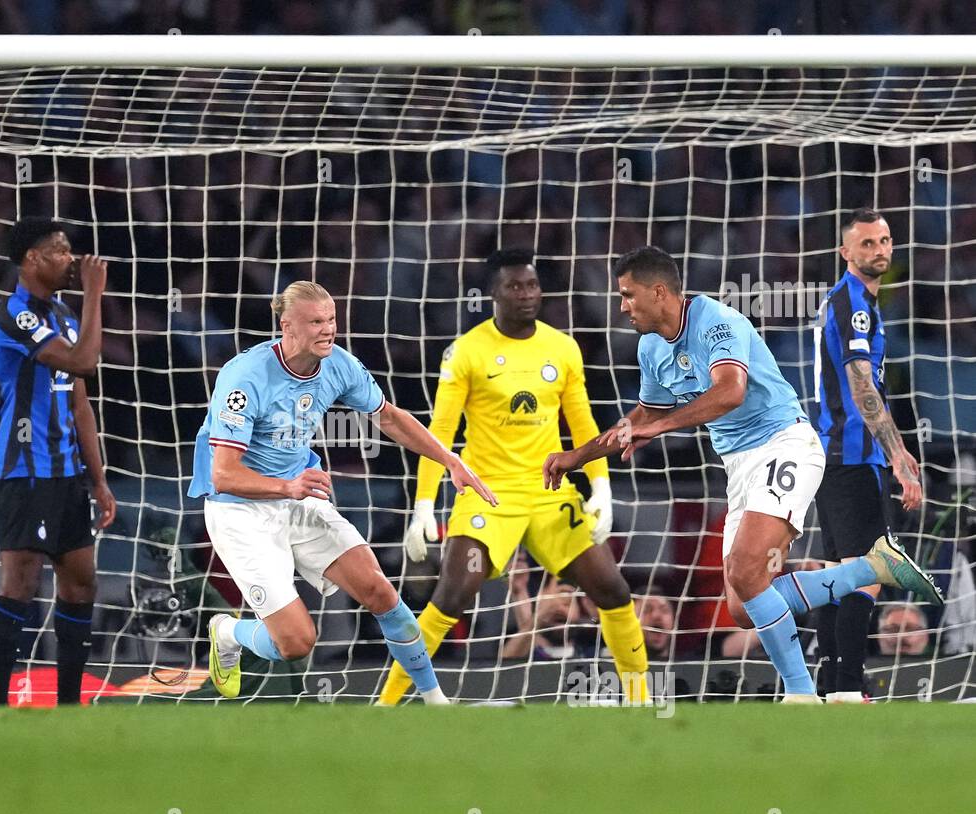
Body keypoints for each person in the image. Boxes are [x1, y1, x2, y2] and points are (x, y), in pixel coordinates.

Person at [543, 245, 943, 703]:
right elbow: (643, 414)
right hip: (739, 467)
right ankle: (870, 567)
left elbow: (730, 391)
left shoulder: (717, 321)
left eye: (629, 295)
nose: (622, 306)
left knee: (747, 570)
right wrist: (579, 455)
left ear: (659, 292)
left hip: (785, 444)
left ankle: (800, 695)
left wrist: (658, 426)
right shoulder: (651, 347)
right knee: (743, 607)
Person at [189, 280, 496, 705]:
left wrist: (450, 459)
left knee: (381, 593)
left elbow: (388, 417)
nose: (328, 329)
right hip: (240, 510)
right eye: (316, 321)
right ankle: (228, 632)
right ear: (287, 326)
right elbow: (223, 475)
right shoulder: (244, 378)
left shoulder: (339, 365)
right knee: (296, 642)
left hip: (299, 496)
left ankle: (435, 702)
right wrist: (288, 486)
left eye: (332, 319)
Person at [379, 249, 650, 705]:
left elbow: (582, 426)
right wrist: (424, 503)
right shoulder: (466, 351)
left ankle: (642, 700)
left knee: (613, 588)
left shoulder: (562, 348)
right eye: (515, 287)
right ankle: (386, 706)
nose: (527, 295)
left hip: (548, 493)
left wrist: (600, 485)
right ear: (494, 294)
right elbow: (439, 433)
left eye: (532, 285)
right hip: (488, 495)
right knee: (450, 596)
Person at [0, 218, 116, 707]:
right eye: (60, 251)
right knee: (21, 581)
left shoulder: (61, 313)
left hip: (66, 475)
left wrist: (98, 478)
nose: (72, 259)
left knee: (81, 581)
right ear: (31, 259)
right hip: (23, 470)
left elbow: (79, 400)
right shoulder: (14, 315)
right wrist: (95, 294)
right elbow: (84, 362)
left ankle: (67, 706)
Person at [812, 208, 924, 702]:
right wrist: (898, 455)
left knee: (840, 571)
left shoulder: (852, 301)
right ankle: (847, 687)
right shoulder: (853, 302)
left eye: (884, 241)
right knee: (867, 571)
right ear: (845, 252)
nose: (879, 250)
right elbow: (862, 387)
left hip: (835, 458)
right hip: (853, 458)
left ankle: (827, 684)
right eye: (867, 244)